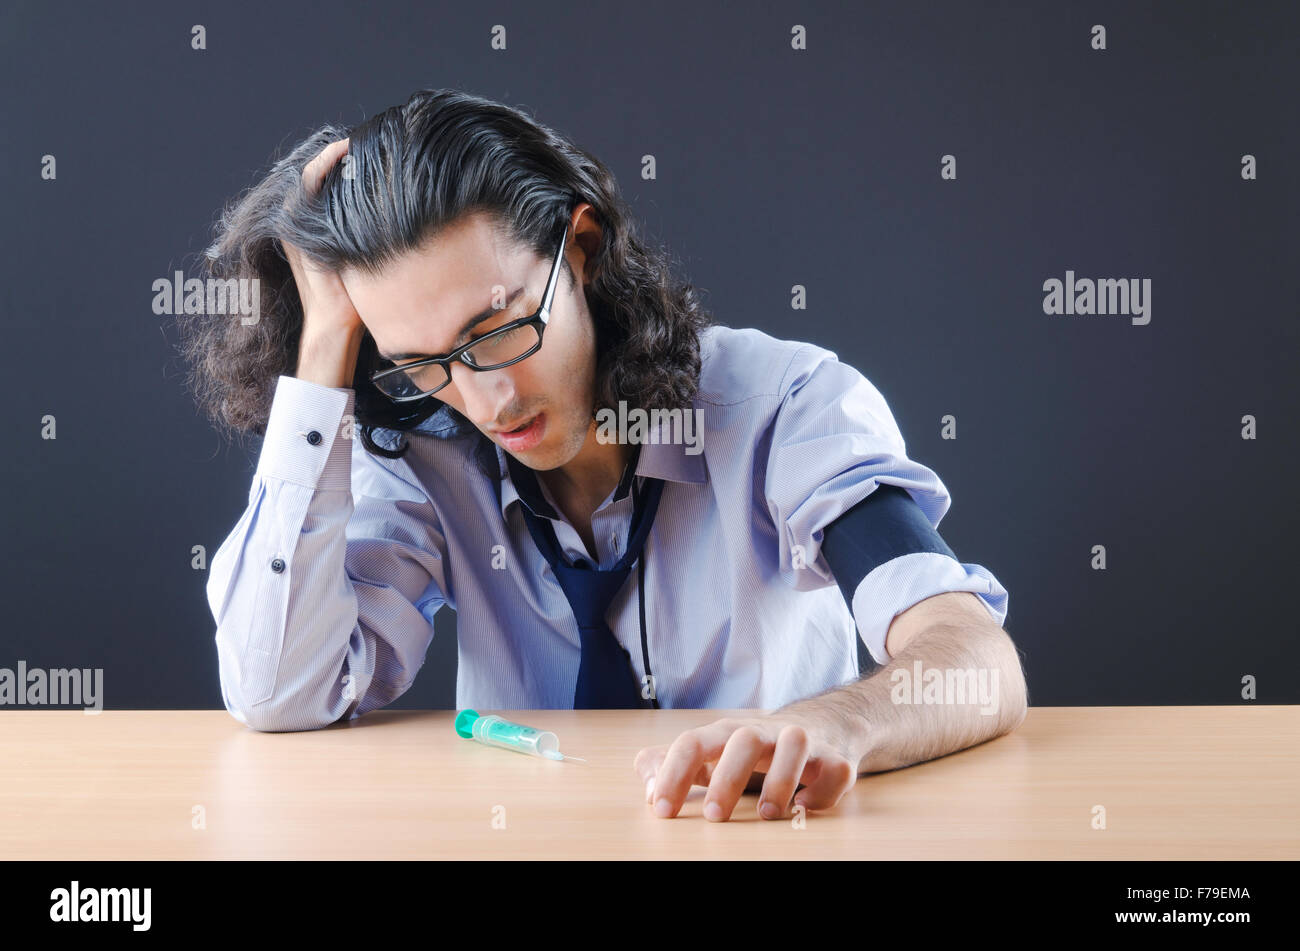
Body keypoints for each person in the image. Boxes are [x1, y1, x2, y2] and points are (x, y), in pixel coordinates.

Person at [180, 89, 1027, 822]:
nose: (486, 400)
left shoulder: (786, 408)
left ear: (579, 248)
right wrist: (326, 344)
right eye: (422, 362)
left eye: (498, 330)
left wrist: (836, 722)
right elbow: (278, 692)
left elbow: (973, 658)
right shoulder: (423, 449)